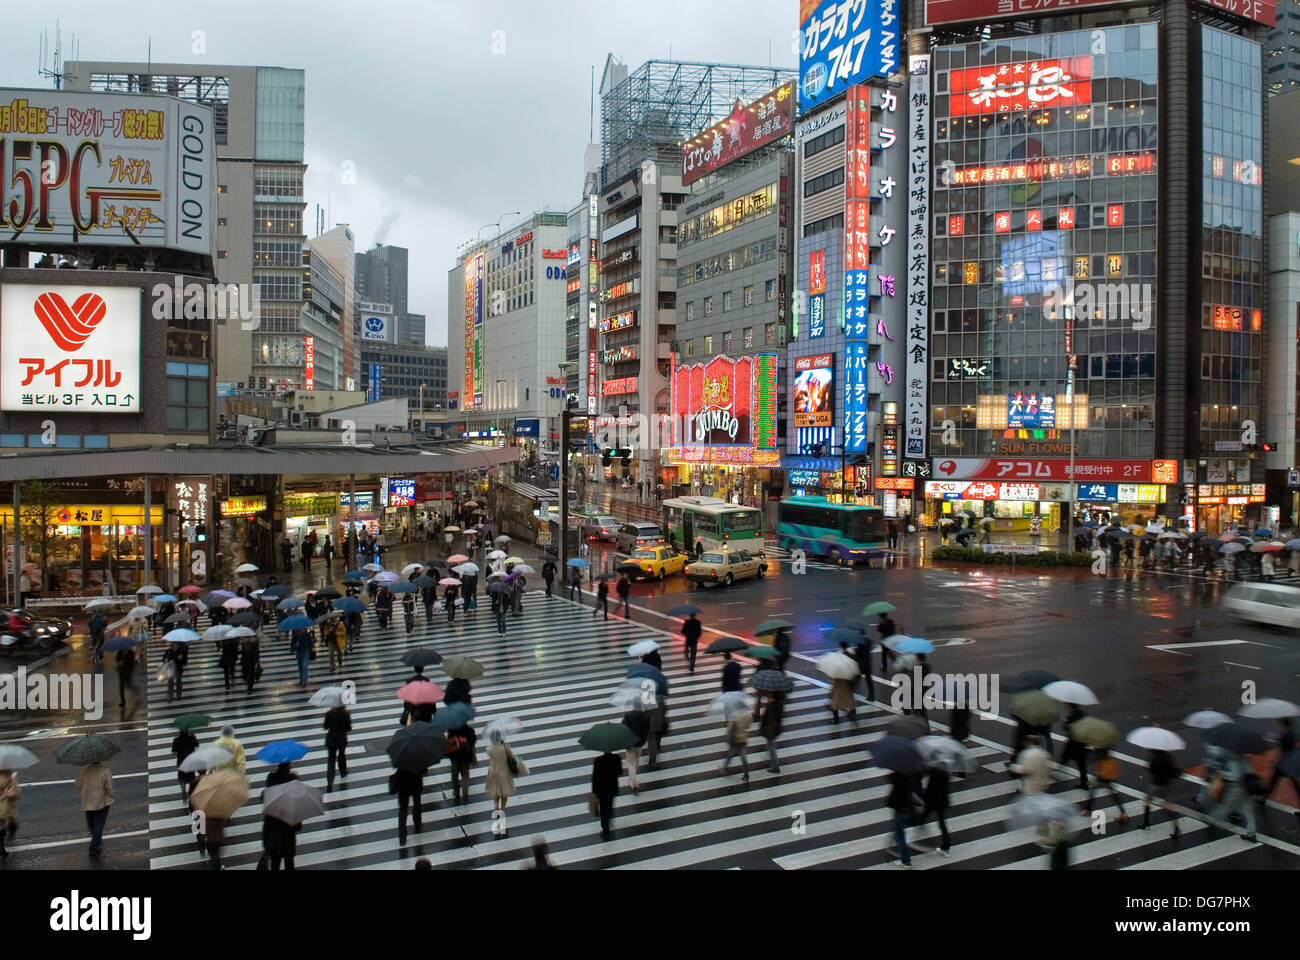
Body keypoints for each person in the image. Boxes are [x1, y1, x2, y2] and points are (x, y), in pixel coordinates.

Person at [1207, 750, 1258, 842]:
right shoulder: (1246, 759)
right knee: (1248, 811)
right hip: (1247, 788)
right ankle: (1252, 834)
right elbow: (1250, 770)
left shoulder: (1234, 760)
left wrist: (1223, 774)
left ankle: (1213, 820)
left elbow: (1235, 776)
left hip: (1236, 788)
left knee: (1226, 805)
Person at [485, 729, 527, 835]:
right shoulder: (505, 747)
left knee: (496, 791)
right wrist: (504, 744)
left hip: (493, 772)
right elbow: (512, 757)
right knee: (504, 792)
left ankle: (496, 806)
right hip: (504, 772)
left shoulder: (489, 749)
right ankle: (502, 810)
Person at [262, 761, 300, 870]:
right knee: (289, 862)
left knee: (275, 862)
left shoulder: (271, 782)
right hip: (288, 833)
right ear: (288, 766)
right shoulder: (293, 782)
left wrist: (265, 840)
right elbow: (298, 825)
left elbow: (267, 822)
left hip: (274, 833)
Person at [76, 761, 113, 857]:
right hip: (101, 802)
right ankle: (94, 846)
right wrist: (111, 795)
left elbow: (78, 784)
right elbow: (109, 787)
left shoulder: (85, 771)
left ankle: (96, 839)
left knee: (91, 823)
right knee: (99, 824)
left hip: (87, 801)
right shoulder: (105, 771)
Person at [1142, 748, 1181, 837]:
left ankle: (1146, 822)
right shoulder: (1168, 756)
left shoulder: (1155, 757)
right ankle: (1176, 828)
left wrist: (1148, 765)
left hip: (1156, 784)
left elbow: (1152, 770)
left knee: (1147, 800)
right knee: (1168, 805)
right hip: (1167, 784)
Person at [1086, 747, 1129, 821]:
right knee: (1113, 795)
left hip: (1104, 780)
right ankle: (1123, 813)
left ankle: (1088, 810)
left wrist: (1099, 773)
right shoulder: (1109, 758)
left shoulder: (1102, 757)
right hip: (1108, 778)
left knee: (1094, 792)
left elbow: (1092, 761)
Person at [887, 770, 918, 868]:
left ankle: (906, 861)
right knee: (898, 831)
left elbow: (890, 779)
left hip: (900, 810)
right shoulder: (909, 778)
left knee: (899, 835)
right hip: (907, 809)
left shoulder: (898, 781)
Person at [920, 765, 952, 856]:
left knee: (922, 818)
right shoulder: (945, 771)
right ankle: (946, 846)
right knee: (942, 824)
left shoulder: (934, 771)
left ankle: (919, 836)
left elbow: (931, 788)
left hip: (932, 801)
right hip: (942, 801)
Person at [591, 751, 621, 839]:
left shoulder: (598, 761)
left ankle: (606, 830)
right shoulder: (616, 758)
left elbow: (595, 778)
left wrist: (594, 792)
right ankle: (610, 813)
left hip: (601, 790)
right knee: (610, 803)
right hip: (612, 787)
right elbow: (619, 772)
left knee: (603, 809)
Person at [828, 641, 859, 723]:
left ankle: (836, 719)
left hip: (839, 683)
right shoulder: (850, 657)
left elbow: (835, 669)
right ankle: (853, 714)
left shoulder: (838, 657)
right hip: (847, 682)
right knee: (850, 700)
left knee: (835, 701)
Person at [1061, 703, 1089, 790]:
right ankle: (1084, 782)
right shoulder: (1081, 713)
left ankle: (1058, 771)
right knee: (1081, 764)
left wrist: (1065, 720)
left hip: (1074, 743)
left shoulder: (1072, 716)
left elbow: (1066, 728)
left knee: (1065, 757)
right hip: (1082, 742)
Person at [447, 723, 477, 804]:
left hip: (455, 756)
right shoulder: (469, 730)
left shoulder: (452, 730)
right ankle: (465, 793)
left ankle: (456, 791)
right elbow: (473, 741)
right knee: (465, 776)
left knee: (454, 774)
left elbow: (448, 743)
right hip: (465, 756)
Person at [324, 704, 351, 792]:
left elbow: (325, 726)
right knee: (341, 755)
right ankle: (343, 772)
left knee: (331, 759)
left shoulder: (329, 713)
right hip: (341, 738)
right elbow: (348, 728)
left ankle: (330, 782)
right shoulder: (346, 714)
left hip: (331, 738)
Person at [392, 767, 424, 845]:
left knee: (403, 809)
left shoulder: (402, 757)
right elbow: (424, 769)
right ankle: (417, 821)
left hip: (403, 783)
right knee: (417, 803)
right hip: (416, 781)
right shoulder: (418, 757)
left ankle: (402, 836)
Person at [621, 709, 650, 794]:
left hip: (630, 742)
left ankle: (634, 783)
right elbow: (648, 728)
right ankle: (634, 775)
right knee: (637, 759)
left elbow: (623, 727)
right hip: (640, 742)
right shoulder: (645, 716)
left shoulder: (628, 715)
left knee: (630, 762)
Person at [720, 710, 751, 781]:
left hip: (735, 740)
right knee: (744, 758)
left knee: (730, 754)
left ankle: (724, 768)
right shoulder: (748, 715)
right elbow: (748, 726)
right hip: (743, 739)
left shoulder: (734, 716)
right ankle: (746, 775)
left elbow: (730, 729)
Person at [759, 690, 785, 773]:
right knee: (771, 745)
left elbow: (764, 718)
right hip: (776, 729)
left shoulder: (769, 706)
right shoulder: (780, 706)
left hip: (769, 730)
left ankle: (775, 767)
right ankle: (768, 755)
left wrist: (761, 728)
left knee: (772, 748)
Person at [172, 726, 198, 801]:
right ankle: (191, 792)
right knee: (191, 777)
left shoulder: (176, 740)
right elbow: (196, 745)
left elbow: (174, 750)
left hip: (181, 761)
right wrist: (193, 736)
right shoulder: (191, 738)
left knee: (181, 777)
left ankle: (183, 791)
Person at [0, 767, 17, 860]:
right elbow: (15, 794)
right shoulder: (8, 775)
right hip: (2, 805)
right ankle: (1, 848)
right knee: (1, 823)